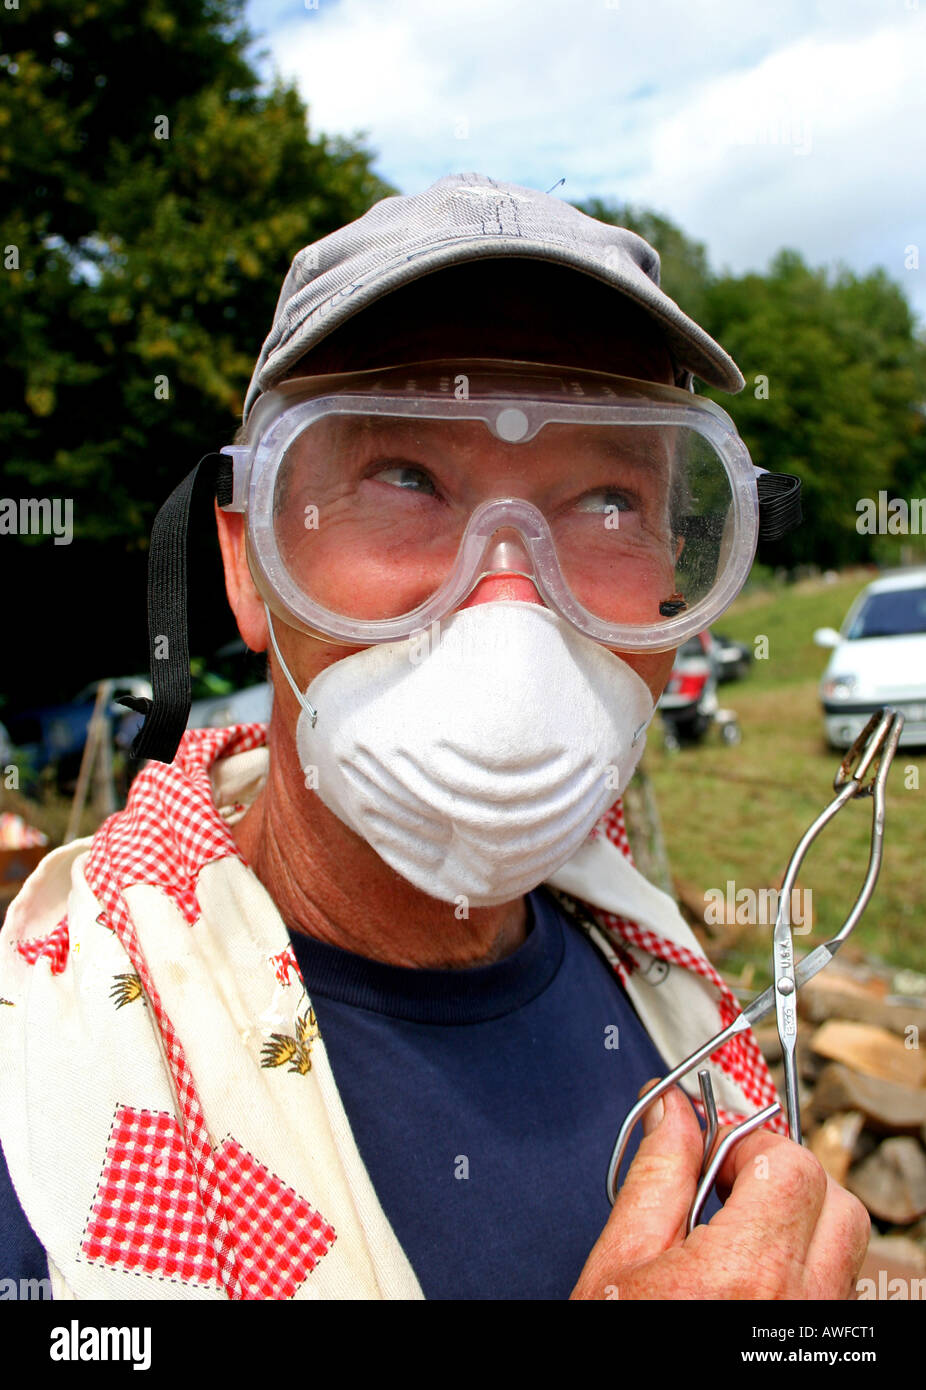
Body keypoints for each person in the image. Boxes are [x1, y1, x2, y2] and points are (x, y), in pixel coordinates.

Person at [0, 173, 868, 1300]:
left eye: (607, 502)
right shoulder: (47, 1099)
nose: (507, 606)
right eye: (405, 477)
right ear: (246, 564)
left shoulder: (673, 1000)